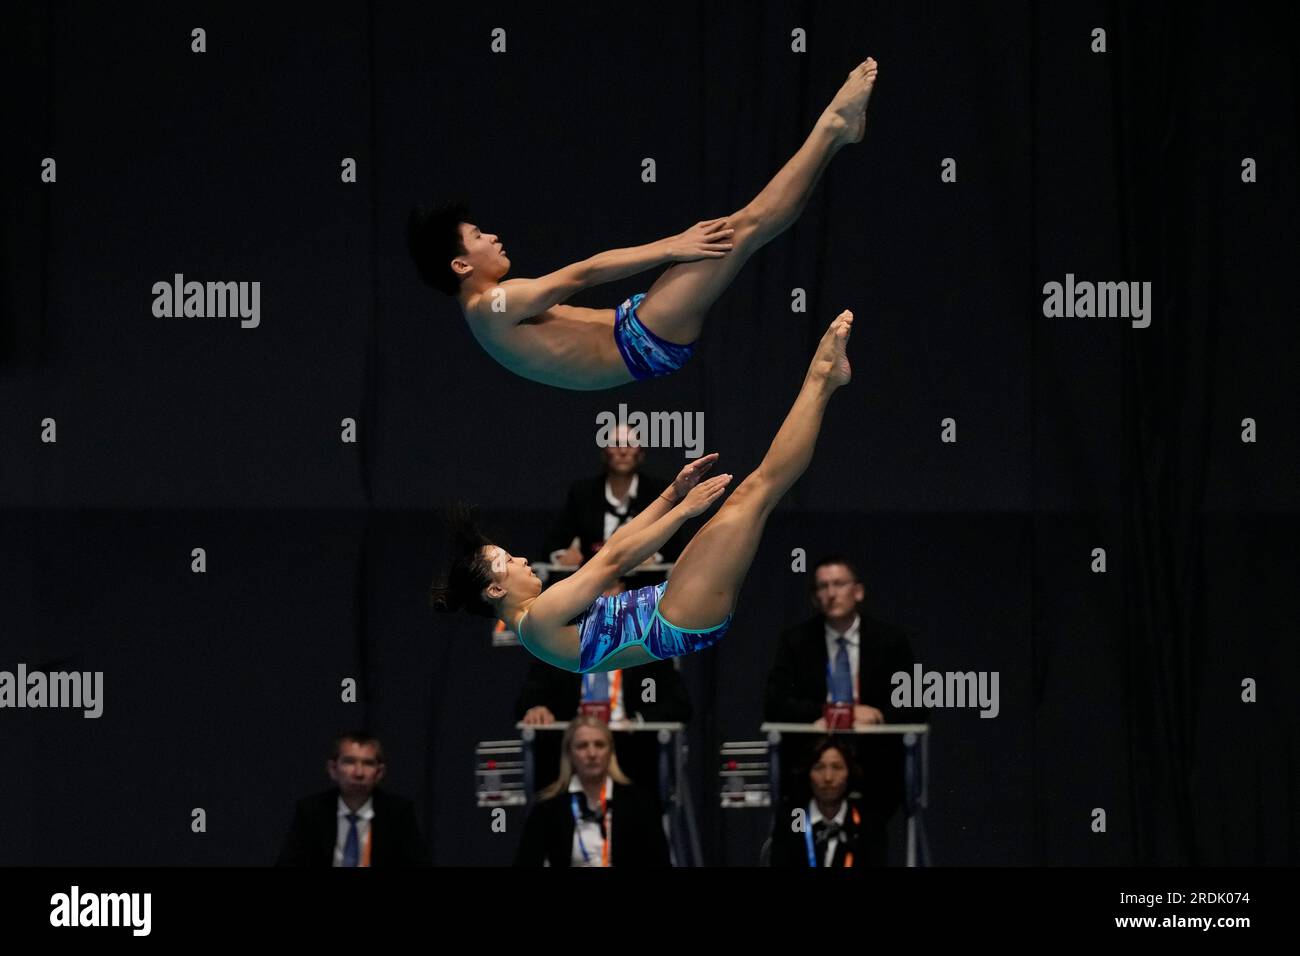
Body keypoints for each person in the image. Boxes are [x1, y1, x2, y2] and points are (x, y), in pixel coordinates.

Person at [408, 60, 878, 390]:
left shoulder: (486, 313)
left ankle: (837, 137)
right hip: (644, 341)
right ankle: (834, 124)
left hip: (636, 327)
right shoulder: (490, 306)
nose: (491, 236)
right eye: (477, 237)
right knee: (742, 230)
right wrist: (673, 245)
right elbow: (583, 273)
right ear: (460, 264)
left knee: (744, 233)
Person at [431, 310, 857, 674]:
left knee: (757, 493)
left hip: (672, 606)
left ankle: (822, 381)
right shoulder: (537, 622)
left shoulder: (537, 621)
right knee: (758, 492)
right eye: (507, 562)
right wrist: (684, 512)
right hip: (677, 616)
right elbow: (616, 560)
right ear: (495, 591)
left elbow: (614, 547)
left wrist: (671, 495)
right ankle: (821, 379)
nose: (521, 558)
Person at [515, 716, 670, 867]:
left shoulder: (640, 803)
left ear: (611, 751)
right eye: (582, 746)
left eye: (599, 745)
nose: (592, 754)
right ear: (569, 754)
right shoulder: (548, 806)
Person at [276, 732, 430, 866]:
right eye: (349, 762)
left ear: (380, 772)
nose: (358, 773)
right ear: (333, 769)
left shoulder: (398, 812)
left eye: (368, 763)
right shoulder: (311, 810)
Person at [544, 426, 683, 567]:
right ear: (604, 451)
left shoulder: (659, 492)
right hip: (592, 580)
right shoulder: (583, 492)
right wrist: (563, 556)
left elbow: (677, 540)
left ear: (641, 452)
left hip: (644, 583)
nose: (623, 451)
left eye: (630, 444)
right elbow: (555, 541)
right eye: (616, 444)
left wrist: (654, 558)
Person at [769, 737, 885, 868]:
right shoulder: (796, 817)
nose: (828, 777)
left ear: (849, 773)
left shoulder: (867, 823)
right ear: (808, 773)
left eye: (837, 767)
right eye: (819, 767)